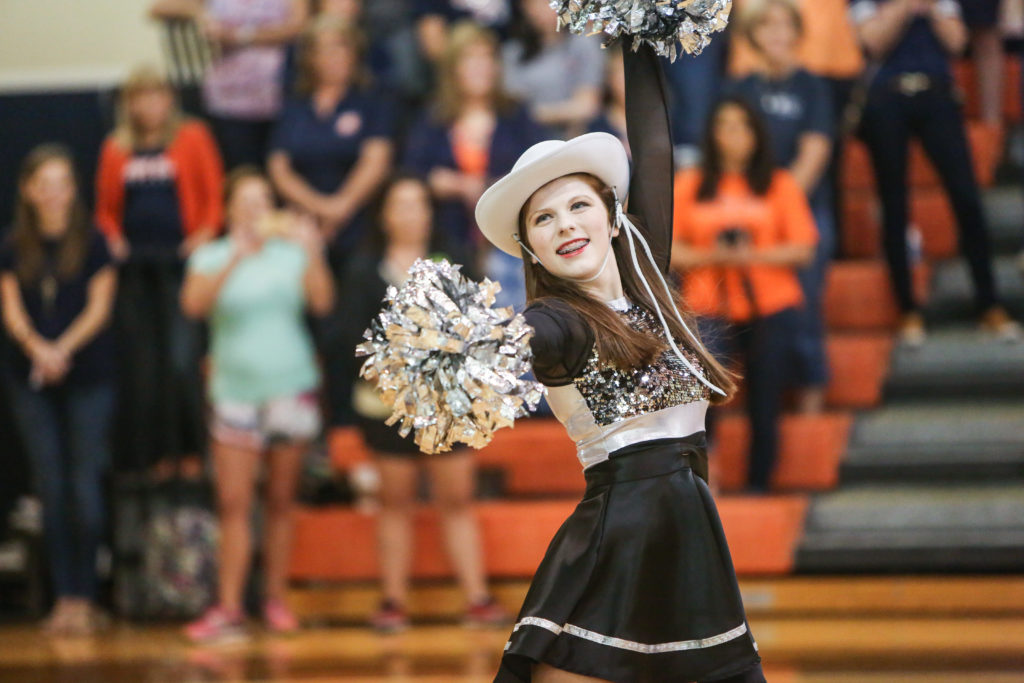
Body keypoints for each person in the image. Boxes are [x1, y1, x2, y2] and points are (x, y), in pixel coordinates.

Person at [473, 39, 765, 682]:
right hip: (617, 545)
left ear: (612, 217)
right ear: (534, 252)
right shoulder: (558, 320)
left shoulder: (651, 288)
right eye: (543, 219)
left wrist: (637, 35)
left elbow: (654, 146)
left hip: (691, 537)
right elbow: (522, 341)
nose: (565, 224)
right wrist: (470, 352)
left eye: (578, 204)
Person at [340, 173, 505, 632]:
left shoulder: (452, 261)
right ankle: (392, 601)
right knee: (395, 503)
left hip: (449, 406)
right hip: (385, 408)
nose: (414, 213)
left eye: (420, 204)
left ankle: (477, 599)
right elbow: (353, 345)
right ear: (386, 216)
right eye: (403, 204)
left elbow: (476, 330)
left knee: (457, 501)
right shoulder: (362, 272)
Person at [180, 168, 334, 643]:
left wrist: (311, 250)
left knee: (281, 501)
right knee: (233, 503)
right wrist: (235, 258)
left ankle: (274, 601)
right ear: (228, 209)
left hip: (290, 388)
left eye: (261, 199)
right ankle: (228, 607)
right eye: (244, 200)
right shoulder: (211, 253)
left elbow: (323, 302)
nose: (254, 208)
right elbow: (193, 306)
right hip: (233, 391)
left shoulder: (291, 254)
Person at [850, 0, 1020, 344]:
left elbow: (957, 42)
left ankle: (989, 303)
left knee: (966, 196)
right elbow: (871, 41)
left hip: (937, 93)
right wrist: (903, 7)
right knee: (894, 204)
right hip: (887, 97)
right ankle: (908, 310)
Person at [672, 97, 818, 493]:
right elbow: (668, 249)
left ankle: (760, 484)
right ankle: (705, 483)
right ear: (711, 132)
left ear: (757, 133)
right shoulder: (690, 183)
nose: (733, 134)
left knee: (765, 401)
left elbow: (803, 248)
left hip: (771, 303)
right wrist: (716, 254)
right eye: (724, 124)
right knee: (703, 402)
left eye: (742, 125)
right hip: (708, 305)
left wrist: (748, 253)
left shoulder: (779, 183)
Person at [0, 144, 118, 636]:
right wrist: (37, 349)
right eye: (43, 183)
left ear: (74, 190)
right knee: (50, 486)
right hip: (29, 376)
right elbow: (9, 308)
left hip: (88, 374)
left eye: (62, 183)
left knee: (84, 485)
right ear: (28, 190)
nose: (53, 193)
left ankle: (86, 596)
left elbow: (99, 307)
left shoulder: (94, 242)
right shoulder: (12, 244)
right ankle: (62, 598)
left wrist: (61, 348)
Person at [95, 65, 223, 474]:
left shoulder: (193, 136)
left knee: (183, 361)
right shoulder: (115, 147)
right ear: (128, 104)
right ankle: (153, 457)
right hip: (136, 271)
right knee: (144, 366)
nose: (148, 105)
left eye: (156, 95)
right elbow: (106, 211)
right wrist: (113, 238)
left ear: (169, 99)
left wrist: (203, 234)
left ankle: (193, 451)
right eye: (139, 97)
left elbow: (214, 196)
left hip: (183, 267)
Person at [728, 0, 834, 413]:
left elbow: (814, 154)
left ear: (796, 33)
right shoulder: (739, 89)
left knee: (803, 309)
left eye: (783, 25)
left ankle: (812, 405)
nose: (775, 34)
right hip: (744, 210)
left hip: (802, 212)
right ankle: (747, 406)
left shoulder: (812, 87)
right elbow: (727, 155)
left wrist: (774, 212)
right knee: (742, 313)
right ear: (753, 34)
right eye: (766, 25)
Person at [403, 20, 547, 308]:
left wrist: (485, 187)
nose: (481, 66)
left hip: (511, 244)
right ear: (453, 68)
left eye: (487, 58)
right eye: (471, 58)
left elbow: (538, 166)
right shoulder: (434, 119)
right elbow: (411, 171)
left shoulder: (516, 114)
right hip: (450, 240)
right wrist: (445, 183)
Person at [267, 14, 394, 279]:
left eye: (339, 46)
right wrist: (319, 209)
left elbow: (377, 160)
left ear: (354, 52)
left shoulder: (370, 99)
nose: (332, 55)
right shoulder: (296, 104)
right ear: (309, 58)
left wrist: (340, 208)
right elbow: (279, 167)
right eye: (322, 48)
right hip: (302, 224)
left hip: (361, 224)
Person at [149, 0, 310, 170]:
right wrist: (201, 13)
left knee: (284, 167)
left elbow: (299, 25)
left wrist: (240, 36)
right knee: (240, 172)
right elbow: (159, 8)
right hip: (229, 101)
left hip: (281, 97)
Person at [501, 0, 604, 138]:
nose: (541, 9)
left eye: (547, 2)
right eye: (532, 3)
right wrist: (567, 110)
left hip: (576, 136)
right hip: (526, 139)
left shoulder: (583, 43)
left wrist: (539, 113)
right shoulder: (512, 53)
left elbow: (587, 106)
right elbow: (514, 110)